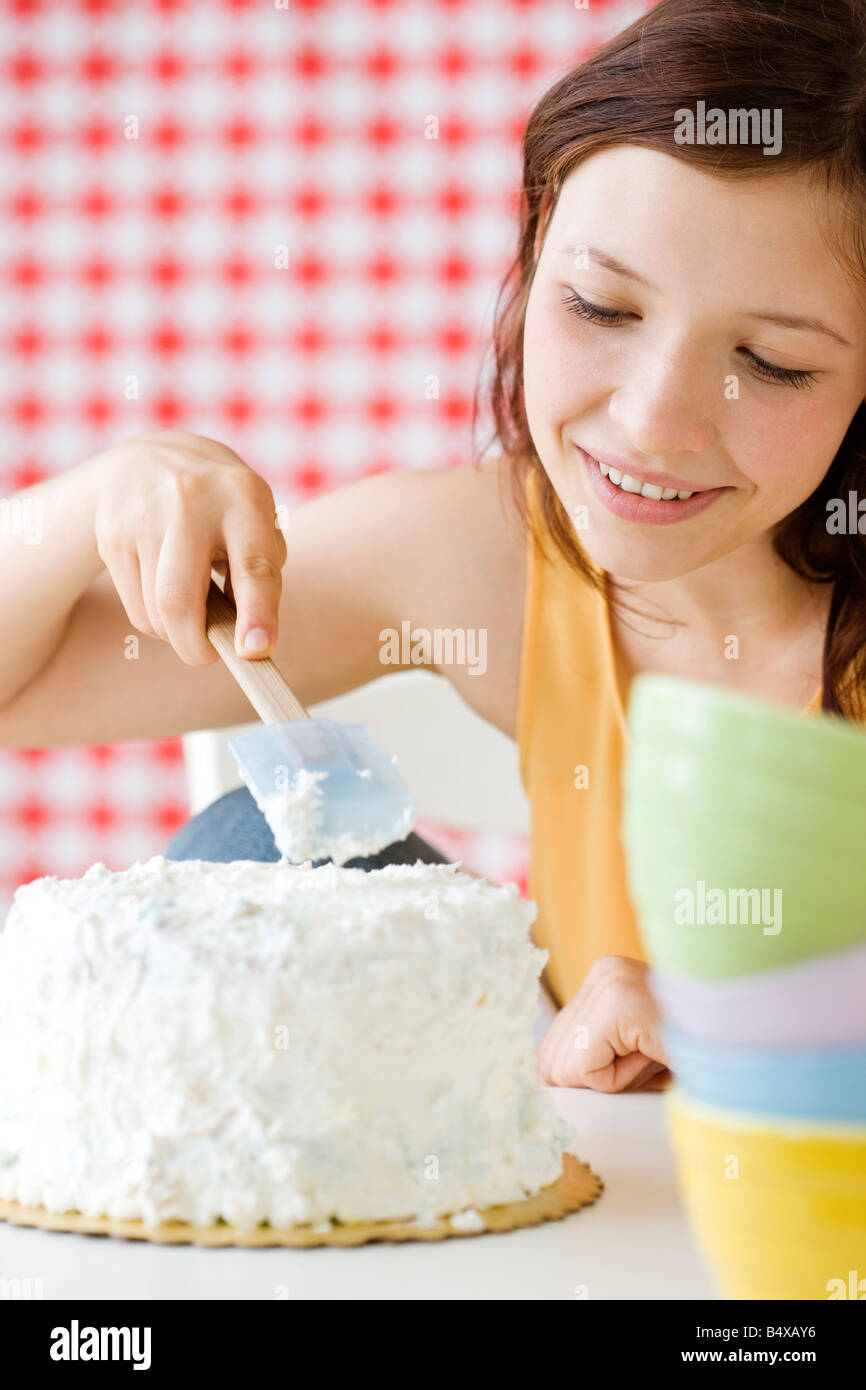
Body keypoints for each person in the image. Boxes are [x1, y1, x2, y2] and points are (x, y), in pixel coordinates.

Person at [2, 0, 865, 1094]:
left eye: (774, 362)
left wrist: (747, 1036)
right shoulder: (490, 556)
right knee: (249, 841)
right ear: (533, 248)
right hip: (577, 1241)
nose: (651, 421)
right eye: (598, 306)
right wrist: (95, 496)